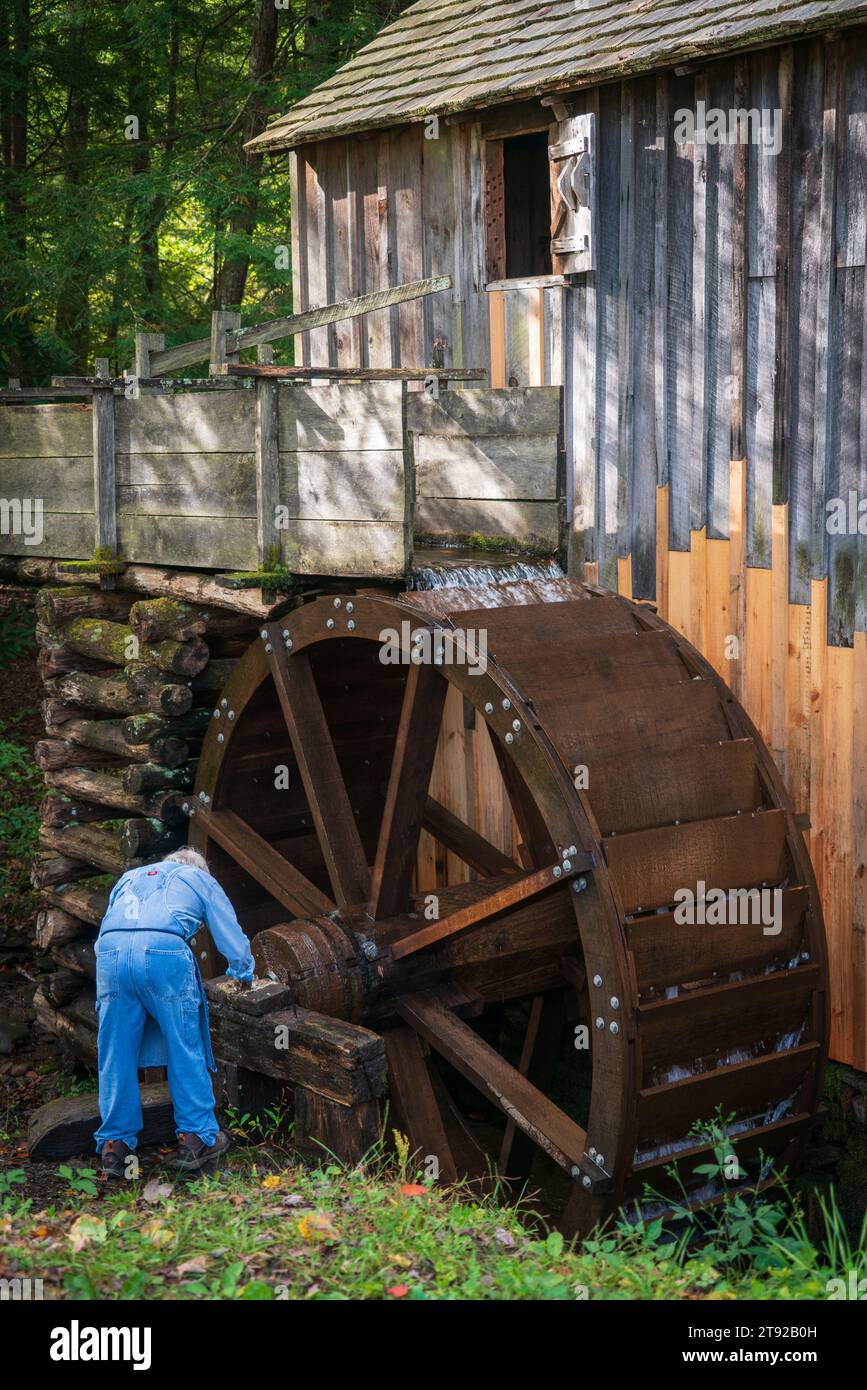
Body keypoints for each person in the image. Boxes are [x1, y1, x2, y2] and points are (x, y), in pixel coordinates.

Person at [93, 846, 255, 1178]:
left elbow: (106, 931)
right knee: (185, 1046)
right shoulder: (198, 878)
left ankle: (114, 1148)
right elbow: (229, 934)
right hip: (162, 952)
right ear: (200, 868)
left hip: (109, 954)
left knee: (115, 1052)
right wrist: (244, 971)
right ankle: (197, 1138)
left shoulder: (129, 877)